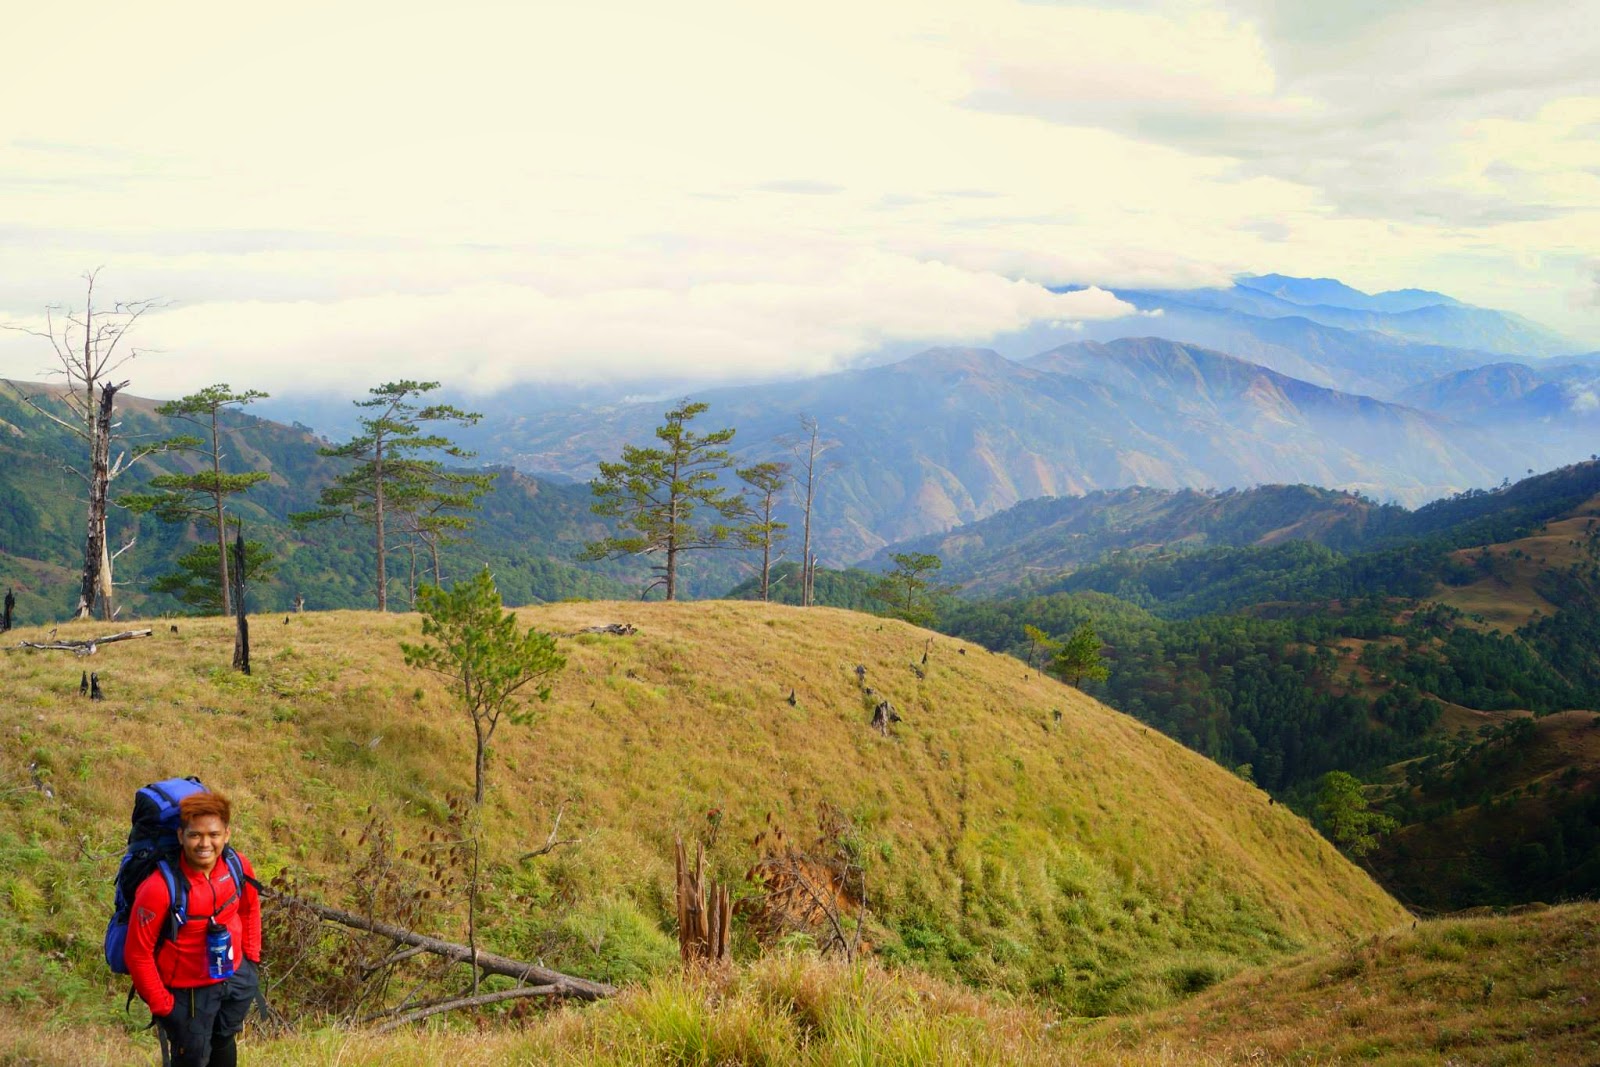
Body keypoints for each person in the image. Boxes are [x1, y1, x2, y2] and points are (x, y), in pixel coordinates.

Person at [125, 789, 262, 1067]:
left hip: (234, 977)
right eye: (195, 835)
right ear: (180, 836)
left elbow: (249, 908)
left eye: (213, 834)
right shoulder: (159, 888)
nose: (205, 843)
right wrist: (164, 1006)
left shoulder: (237, 865)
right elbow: (137, 954)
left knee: (224, 1040)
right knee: (194, 1056)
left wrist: (251, 960)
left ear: (227, 834)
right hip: (187, 992)